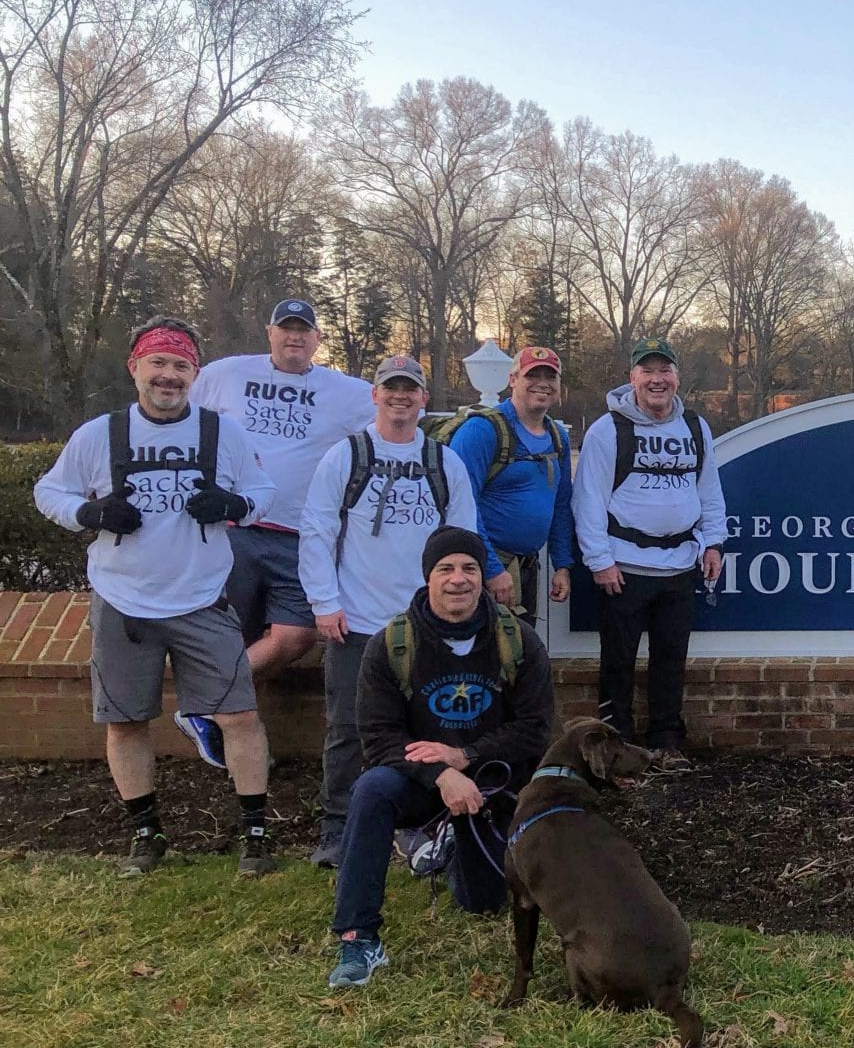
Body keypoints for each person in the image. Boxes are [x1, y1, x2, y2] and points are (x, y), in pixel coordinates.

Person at [33, 317, 280, 876]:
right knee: (125, 722)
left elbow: (263, 490)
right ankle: (145, 835)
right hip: (124, 602)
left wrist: (235, 507)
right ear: (136, 369)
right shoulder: (100, 434)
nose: (169, 376)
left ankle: (256, 837)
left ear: (194, 373)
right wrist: (87, 513)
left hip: (203, 599)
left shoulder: (222, 434)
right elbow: (49, 490)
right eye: (158, 364)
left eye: (181, 366)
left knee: (238, 715)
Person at [328, 527, 555, 988]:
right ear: (427, 577)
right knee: (371, 791)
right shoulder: (391, 644)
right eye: (445, 569)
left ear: (483, 576)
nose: (459, 579)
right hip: (419, 781)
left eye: (470, 568)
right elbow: (378, 738)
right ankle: (358, 938)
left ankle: (449, 847)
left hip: (493, 783)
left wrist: (465, 755)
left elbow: (535, 730)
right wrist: (441, 775)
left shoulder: (519, 641)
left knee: (483, 904)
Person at [299, 355, 479, 868]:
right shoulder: (346, 456)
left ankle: (417, 825)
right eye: (390, 388)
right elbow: (317, 530)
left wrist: (458, 606)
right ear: (374, 396)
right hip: (356, 619)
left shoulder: (445, 463)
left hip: (427, 623)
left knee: (430, 725)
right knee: (348, 728)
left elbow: (463, 539)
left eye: (410, 389)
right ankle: (337, 828)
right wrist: (324, 602)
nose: (400, 397)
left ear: (424, 399)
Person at [192, 299, 376, 685]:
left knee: (297, 636)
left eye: (303, 330)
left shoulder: (345, 391)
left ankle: (207, 704)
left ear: (317, 339)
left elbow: (407, 414)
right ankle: (222, 723)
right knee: (227, 633)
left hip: (300, 537)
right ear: (270, 333)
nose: (295, 336)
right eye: (286, 328)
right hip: (234, 528)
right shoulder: (226, 374)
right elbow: (175, 413)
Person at [571, 337, 727, 751]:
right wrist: (599, 560)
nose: (657, 380)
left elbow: (708, 489)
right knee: (618, 664)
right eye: (648, 371)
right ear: (633, 378)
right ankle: (615, 747)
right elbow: (587, 499)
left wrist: (713, 542)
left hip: (681, 565)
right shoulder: (609, 430)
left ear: (677, 377)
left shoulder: (695, 426)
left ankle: (666, 741)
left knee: (670, 661)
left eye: (665, 371)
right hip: (624, 567)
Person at [445, 345, 576, 626]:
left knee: (518, 655)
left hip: (526, 569)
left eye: (550, 377)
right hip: (481, 570)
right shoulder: (481, 431)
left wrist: (562, 565)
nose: (542, 383)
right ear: (513, 379)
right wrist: (491, 570)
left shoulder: (557, 437)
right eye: (532, 375)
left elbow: (561, 505)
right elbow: (460, 506)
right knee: (482, 657)